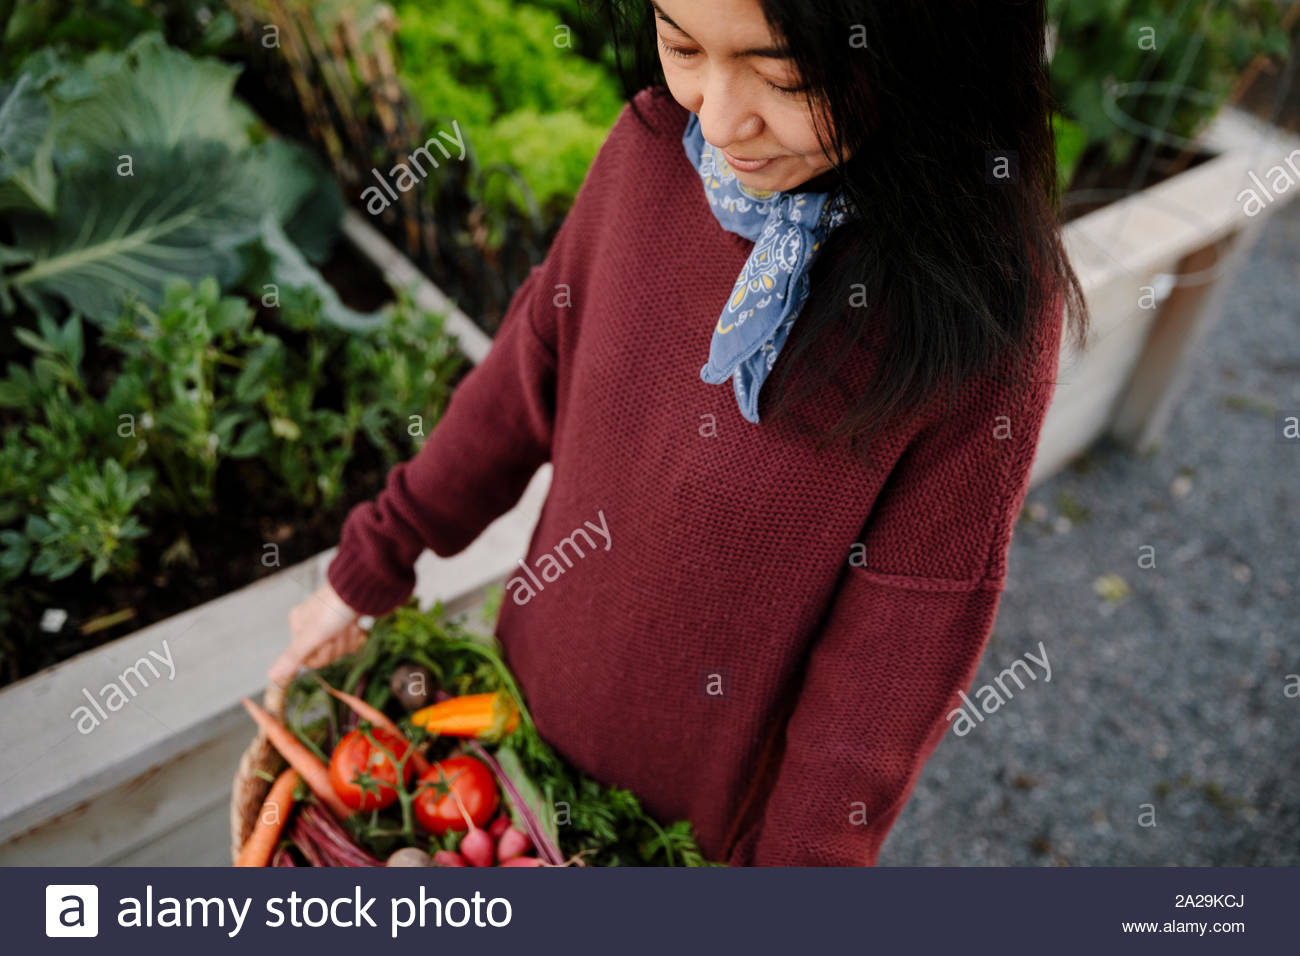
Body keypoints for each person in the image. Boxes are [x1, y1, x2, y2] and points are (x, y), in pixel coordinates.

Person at [269, 0, 1088, 865]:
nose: (722, 118)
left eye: (786, 77)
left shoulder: (980, 311)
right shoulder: (652, 155)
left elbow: (897, 652)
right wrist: (374, 560)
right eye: (681, 45)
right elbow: (525, 374)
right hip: (509, 734)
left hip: (689, 838)